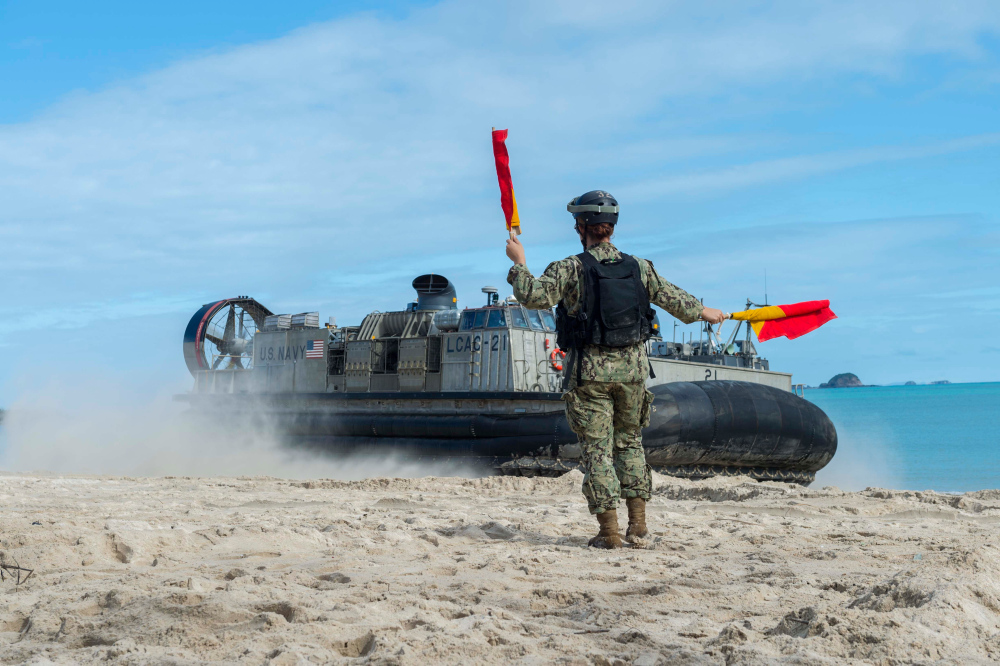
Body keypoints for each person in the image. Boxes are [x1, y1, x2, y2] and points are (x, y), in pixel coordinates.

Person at [505, 190, 725, 548]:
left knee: (597, 451)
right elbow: (674, 299)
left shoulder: (571, 267)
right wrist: (706, 312)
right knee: (630, 444)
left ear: (582, 226)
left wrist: (518, 260)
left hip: (591, 374)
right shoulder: (639, 267)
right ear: (611, 228)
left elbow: (532, 296)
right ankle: (638, 526)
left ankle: (609, 532)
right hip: (634, 372)